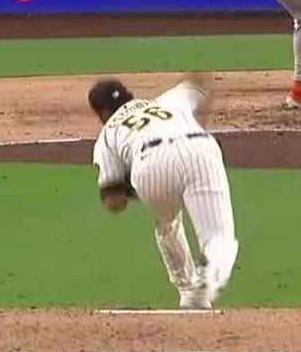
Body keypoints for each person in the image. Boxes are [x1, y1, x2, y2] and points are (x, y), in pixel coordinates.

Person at [87, 74, 239, 310]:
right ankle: (210, 277)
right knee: (218, 238)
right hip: (199, 148)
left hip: (150, 164)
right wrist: (199, 121)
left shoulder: (108, 133)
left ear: (102, 113)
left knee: (168, 225)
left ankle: (189, 292)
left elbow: (114, 202)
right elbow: (199, 82)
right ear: (129, 96)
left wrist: (132, 187)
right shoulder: (167, 100)